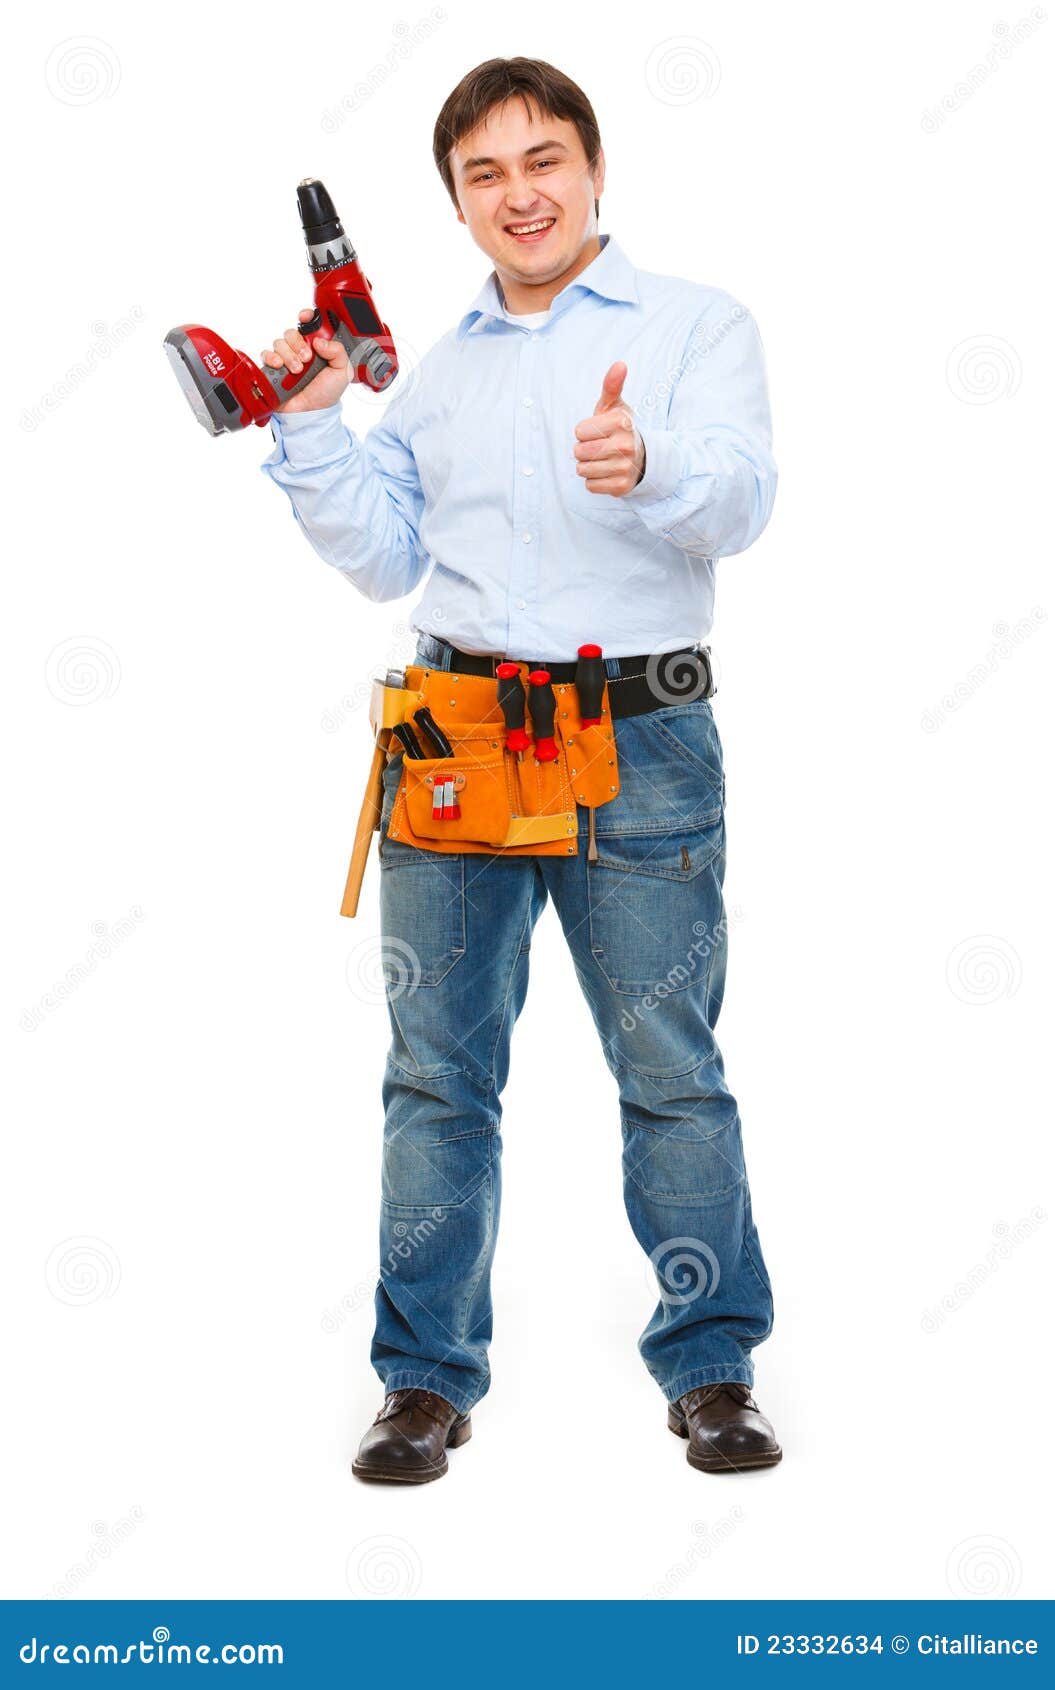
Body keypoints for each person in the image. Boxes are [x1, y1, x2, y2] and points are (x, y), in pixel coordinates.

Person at [261, 57, 781, 1482]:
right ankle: (423, 1380)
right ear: (457, 203)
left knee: (671, 1069)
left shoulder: (697, 326)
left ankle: (713, 1365)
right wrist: (310, 421)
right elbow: (387, 555)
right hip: (458, 739)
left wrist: (648, 462)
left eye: (542, 159)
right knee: (437, 1078)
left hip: (639, 741)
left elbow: (743, 499)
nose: (520, 192)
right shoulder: (440, 371)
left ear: (594, 168)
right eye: (484, 173)